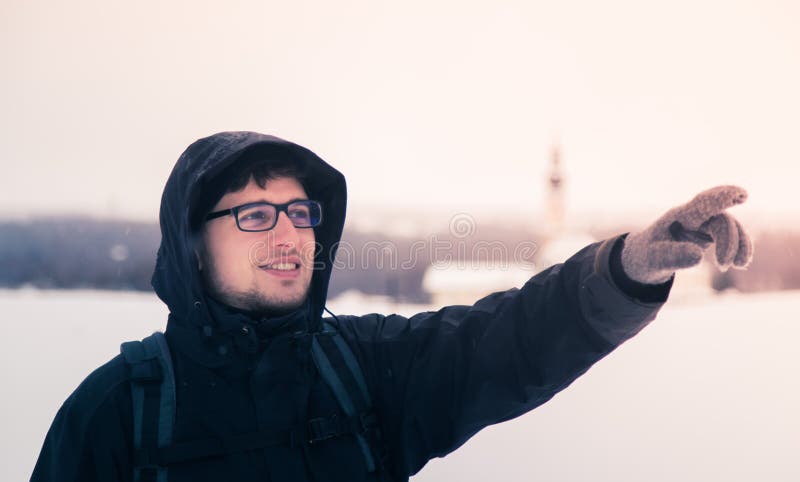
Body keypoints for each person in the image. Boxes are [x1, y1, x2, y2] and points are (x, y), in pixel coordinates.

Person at [31, 131, 753, 482]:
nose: (288, 235)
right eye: (254, 215)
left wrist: (626, 269)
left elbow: (512, 340)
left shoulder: (363, 370)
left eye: (301, 212)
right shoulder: (116, 414)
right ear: (192, 246)